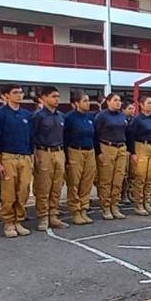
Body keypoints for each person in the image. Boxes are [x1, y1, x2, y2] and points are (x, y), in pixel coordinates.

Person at [0, 85, 33, 238]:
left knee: (23, 190)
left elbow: (31, 138)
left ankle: (19, 220)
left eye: (21, 92)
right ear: (6, 96)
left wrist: (32, 158)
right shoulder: (0, 114)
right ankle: (8, 222)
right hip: (8, 156)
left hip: (25, 156)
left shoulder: (27, 115)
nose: (19, 95)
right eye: (15, 93)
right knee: (9, 192)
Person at [31, 86, 68, 231]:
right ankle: (43, 217)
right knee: (43, 187)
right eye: (53, 96)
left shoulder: (60, 116)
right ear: (44, 98)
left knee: (57, 186)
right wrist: (35, 155)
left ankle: (53, 215)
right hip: (43, 152)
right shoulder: (38, 116)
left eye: (58, 96)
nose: (57, 99)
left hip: (59, 152)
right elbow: (32, 136)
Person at [94, 93, 130, 220]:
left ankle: (115, 206)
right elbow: (95, 134)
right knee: (106, 179)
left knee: (118, 179)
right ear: (108, 102)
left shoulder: (122, 116)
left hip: (121, 147)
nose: (118, 103)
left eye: (119, 100)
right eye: (115, 100)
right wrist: (99, 152)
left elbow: (128, 133)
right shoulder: (102, 116)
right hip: (107, 147)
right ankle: (106, 207)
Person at [63, 92, 96, 225]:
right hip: (75, 151)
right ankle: (75, 211)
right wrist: (66, 157)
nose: (88, 103)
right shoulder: (70, 118)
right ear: (76, 103)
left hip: (90, 151)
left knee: (87, 182)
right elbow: (65, 138)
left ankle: (84, 208)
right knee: (75, 183)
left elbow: (95, 136)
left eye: (88, 101)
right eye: (84, 101)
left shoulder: (90, 117)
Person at [127, 94, 151, 216]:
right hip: (141, 146)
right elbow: (131, 136)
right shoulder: (137, 120)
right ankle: (139, 204)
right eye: (148, 103)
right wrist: (133, 153)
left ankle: (147, 202)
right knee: (140, 177)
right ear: (141, 105)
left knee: (150, 177)